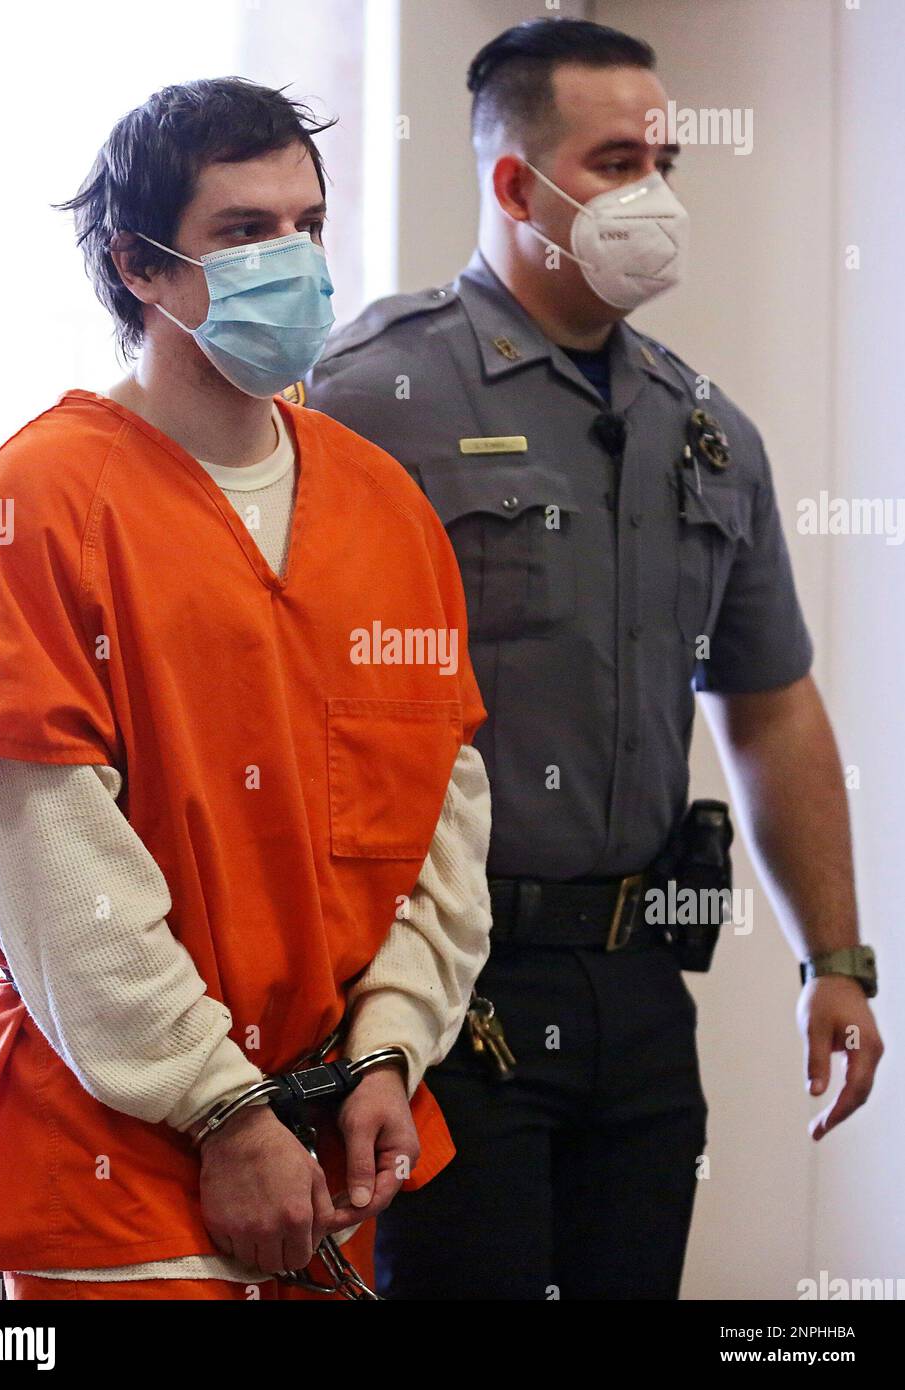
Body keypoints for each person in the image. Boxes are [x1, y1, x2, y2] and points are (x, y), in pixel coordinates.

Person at [304, 18, 884, 1300]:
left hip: (637, 986)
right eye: (615, 159)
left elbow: (772, 705)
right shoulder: (367, 400)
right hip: (442, 995)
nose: (654, 192)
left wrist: (832, 961)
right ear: (515, 183)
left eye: (664, 157)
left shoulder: (703, 427)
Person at [0, 75, 492, 1301]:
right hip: (110, 1161)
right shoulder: (38, 505)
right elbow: (50, 864)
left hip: (326, 1145)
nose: (294, 259)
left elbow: (438, 815)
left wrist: (390, 1049)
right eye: (244, 231)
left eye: (307, 225)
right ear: (140, 265)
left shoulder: (383, 507)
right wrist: (221, 1107)